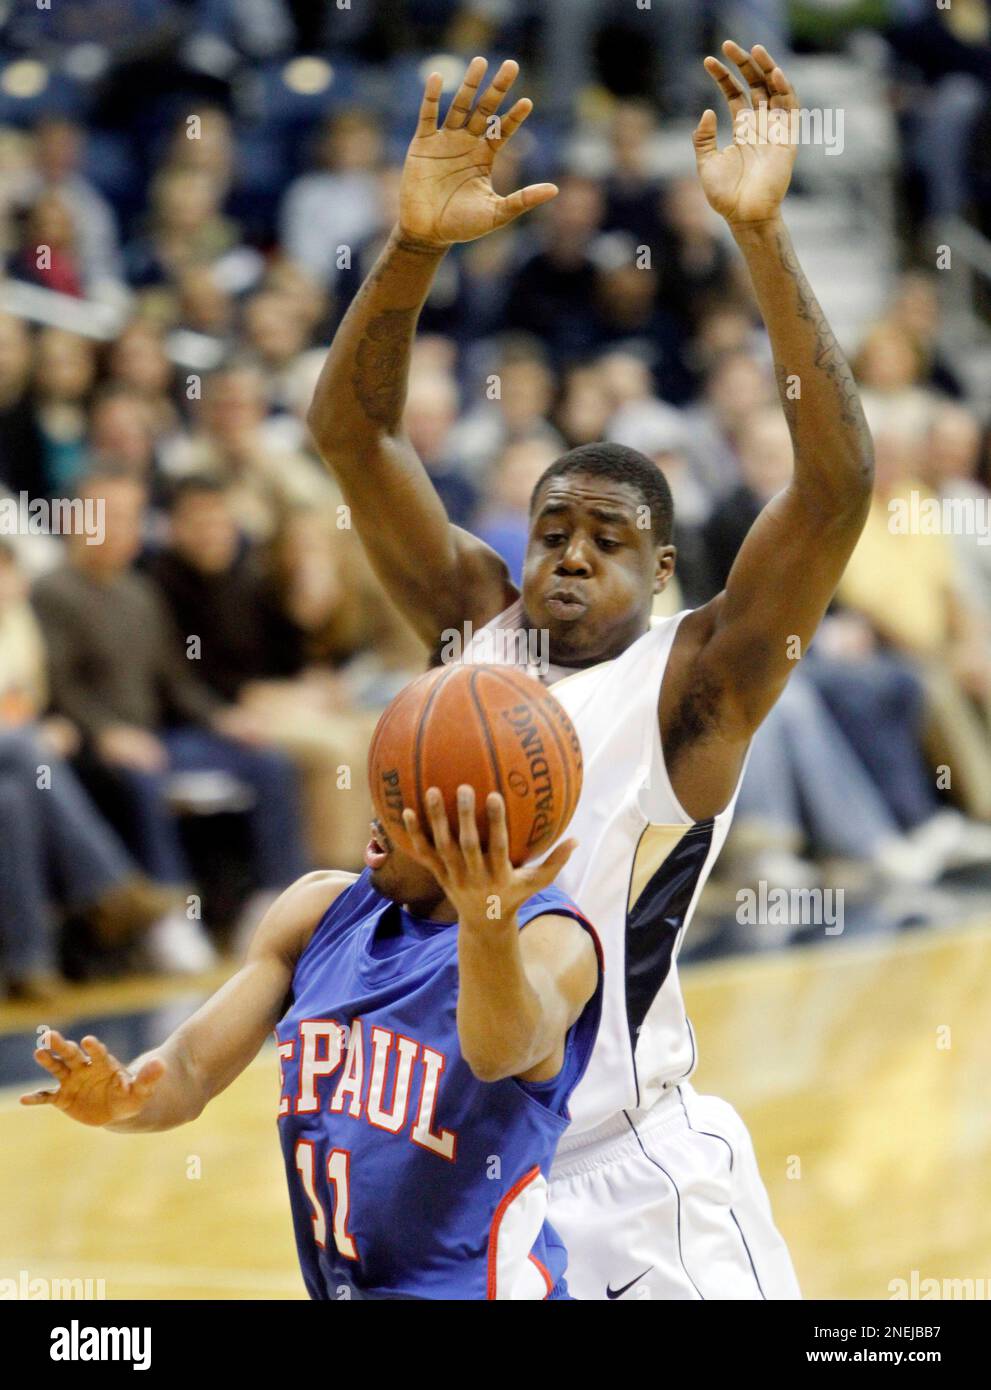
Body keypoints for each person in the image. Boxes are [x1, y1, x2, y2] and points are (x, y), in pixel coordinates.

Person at [306, 46, 877, 1299]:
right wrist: (411, 245)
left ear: (662, 572)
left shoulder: (695, 684)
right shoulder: (475, 628)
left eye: (606, 540)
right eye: (551, 528)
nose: (567, 554)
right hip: (462, 1179)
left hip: (635, 1186)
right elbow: (351, 435)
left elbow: (836, 489)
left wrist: (759, 235)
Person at [22, 786, 602, 1301]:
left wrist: (486, 924)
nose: (378, 815)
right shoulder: (318, 910)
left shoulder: (550, 941)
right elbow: (190, 1067)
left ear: (473, 830)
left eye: (406, 802)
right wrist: (125, 1099)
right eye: (384, 784)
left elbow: (501, 1052)